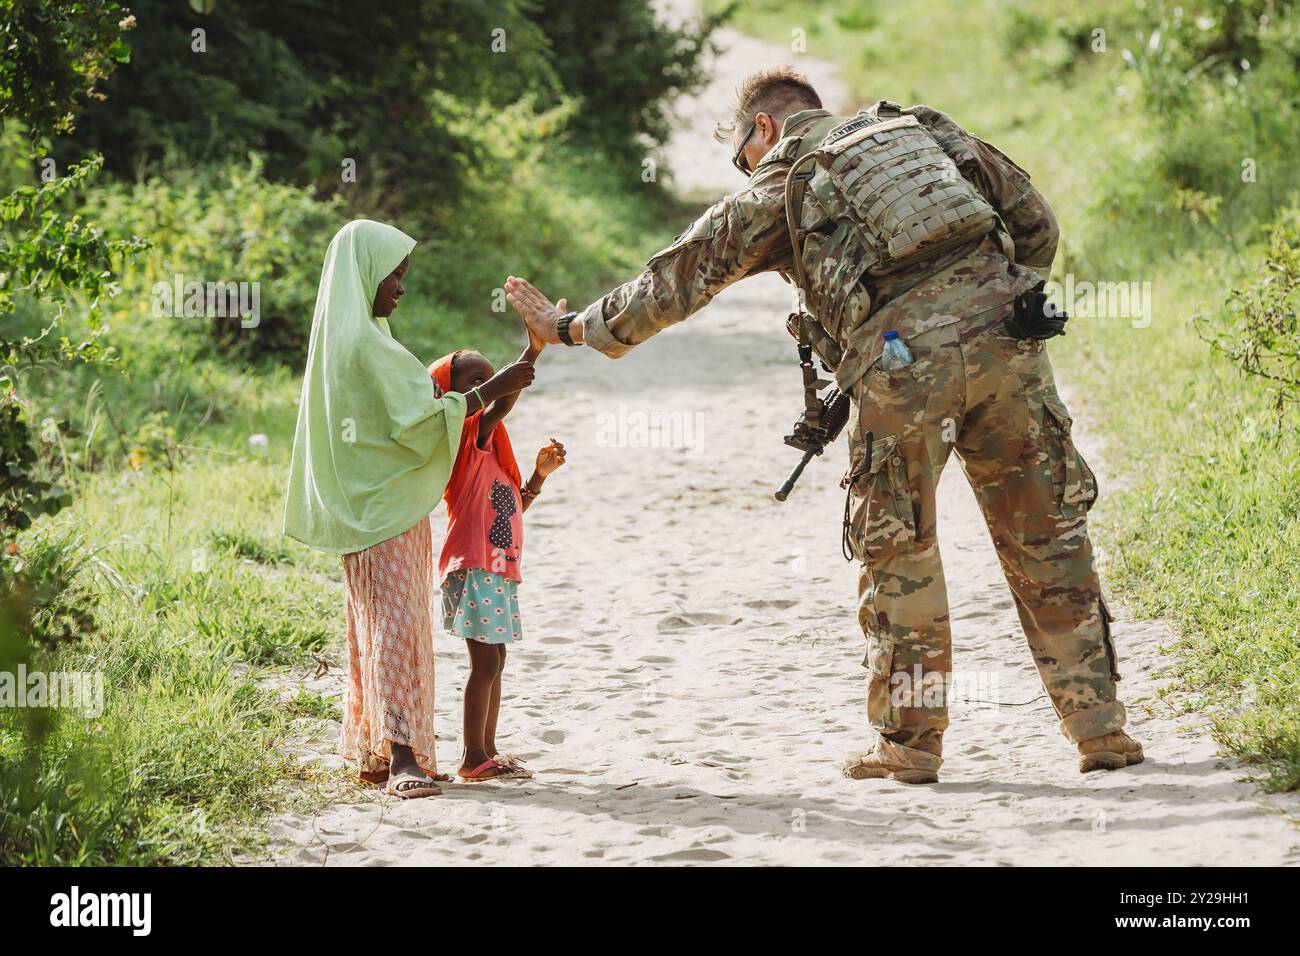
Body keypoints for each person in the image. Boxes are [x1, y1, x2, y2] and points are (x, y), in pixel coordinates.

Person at [505, 67, 1143, 784]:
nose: (745, 168)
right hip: (1010, 344)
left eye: (741, 153)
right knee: (1047, 532)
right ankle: (1100, 731)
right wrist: (997, 300)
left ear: (766, 128)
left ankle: (909, 745)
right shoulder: (922, 128)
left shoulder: (783, 183)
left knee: (900, 552)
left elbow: (674, 282)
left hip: (902, 367)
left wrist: (570, 327)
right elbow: (1036, 223)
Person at [284, 219, 535, 799]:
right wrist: (486, 392)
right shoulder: (361, 345)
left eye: (403, 274)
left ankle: (392, 750)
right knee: (393, 630)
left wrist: (492, 391)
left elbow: (411, 420)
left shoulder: (364, 337)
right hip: (380, 510)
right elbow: (416, 422)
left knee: (389, 630)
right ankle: (402, 762)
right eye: (393, 273)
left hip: (388, 505)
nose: (400, 286)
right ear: (364, 272)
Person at [429, 347, 567, 782]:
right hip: (473, 565)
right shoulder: (470, 431)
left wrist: (538, 477)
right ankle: (472, 756)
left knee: (496, 660)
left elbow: (509, 512)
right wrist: (534, 348)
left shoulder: (493, 454)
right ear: (451, 394)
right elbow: (501, 401)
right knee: (485, 664)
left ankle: (486, 751)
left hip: (493, 567)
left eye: (486, 378)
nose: (483, 389)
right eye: (472, 382)